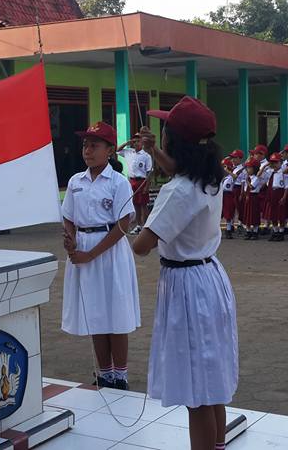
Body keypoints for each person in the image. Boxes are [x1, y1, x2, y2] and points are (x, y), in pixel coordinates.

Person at [132, 96, 238, 450]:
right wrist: (154, 152)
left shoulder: (178, 191)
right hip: (208, 277)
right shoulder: (208, 176)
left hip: (188, 286)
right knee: (211, 385)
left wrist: (114, 229)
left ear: (173, 140)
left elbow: (142, 244)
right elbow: (180, 171)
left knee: (196, 390)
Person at [61, 121, 141, 390]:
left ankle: (120, 375)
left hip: (109, 252)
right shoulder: (75, 181)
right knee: (96, 312)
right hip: (83, 250)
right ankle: (104, 373)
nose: (88, 149)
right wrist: (71, 240)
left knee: (115, 314)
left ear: (109, 150)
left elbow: (123, 225)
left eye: (94, 145)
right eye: (85, 144)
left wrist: (90, 254)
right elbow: (68, 217)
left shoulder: (118, 183)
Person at [117, 137, 153, 233]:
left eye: (138, 141)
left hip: (142, 181)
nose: (136, 143)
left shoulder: (146, 156)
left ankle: (146, 225)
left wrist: (147, 186)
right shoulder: (129, 152)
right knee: (135, 204)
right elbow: (117, 150)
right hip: (132, 181)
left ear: (142, 143)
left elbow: (149, 171)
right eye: (134, 141)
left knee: (143, 205)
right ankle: (138, 224)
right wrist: (126, 143)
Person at [260, 153, 288, 242]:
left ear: (281, 163)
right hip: (270, 194)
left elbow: (287, 186)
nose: (273, 165)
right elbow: (259, 175)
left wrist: (284, 197)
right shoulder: (269, 172)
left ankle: (281, 233)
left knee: (281, 215)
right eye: (272, 163)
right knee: (272, 215)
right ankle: (275, 232)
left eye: (276, 162)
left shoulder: (284, 172)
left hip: (279, 194)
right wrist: (265, 166)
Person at [239, 159, 263, 240]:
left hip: (254, 197)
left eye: (249, 168)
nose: (247, 170)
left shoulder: (256, 178)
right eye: (247, 168)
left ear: (255, 169)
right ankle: (248, 231)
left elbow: (252, 187)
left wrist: (247, 181)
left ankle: (255, 232)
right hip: (247, 197)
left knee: (254, 214)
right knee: (247, 214)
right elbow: (245, 188)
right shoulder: (247, 177)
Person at [221, 158, 237, 239]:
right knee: (220, 213)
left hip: (229, 195)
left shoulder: (231, 176)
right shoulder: (222, 177)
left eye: (224, 167)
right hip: (221, 195)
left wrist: (228, 171)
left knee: (228, 214)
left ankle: (228, 230)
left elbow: (235, 176)